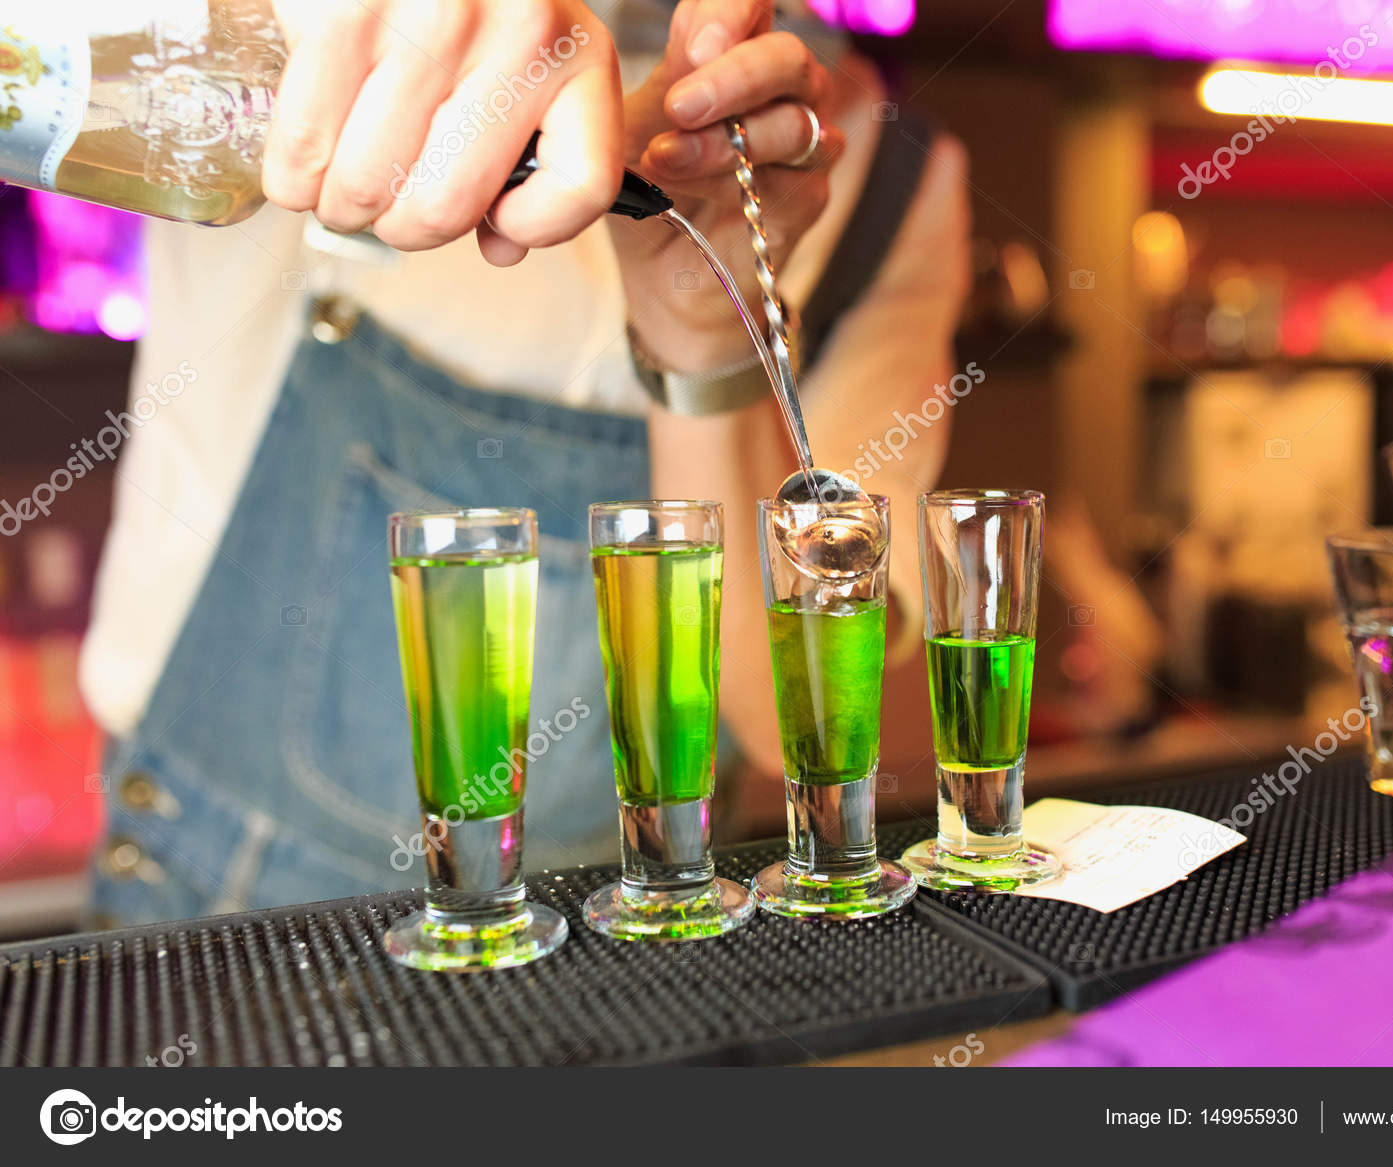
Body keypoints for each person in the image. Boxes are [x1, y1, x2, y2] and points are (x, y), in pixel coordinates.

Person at [81, 0, 970, 926]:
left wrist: (704, 345)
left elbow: (804, 730)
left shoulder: (880, 176)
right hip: (230, 898)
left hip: (637, 918)